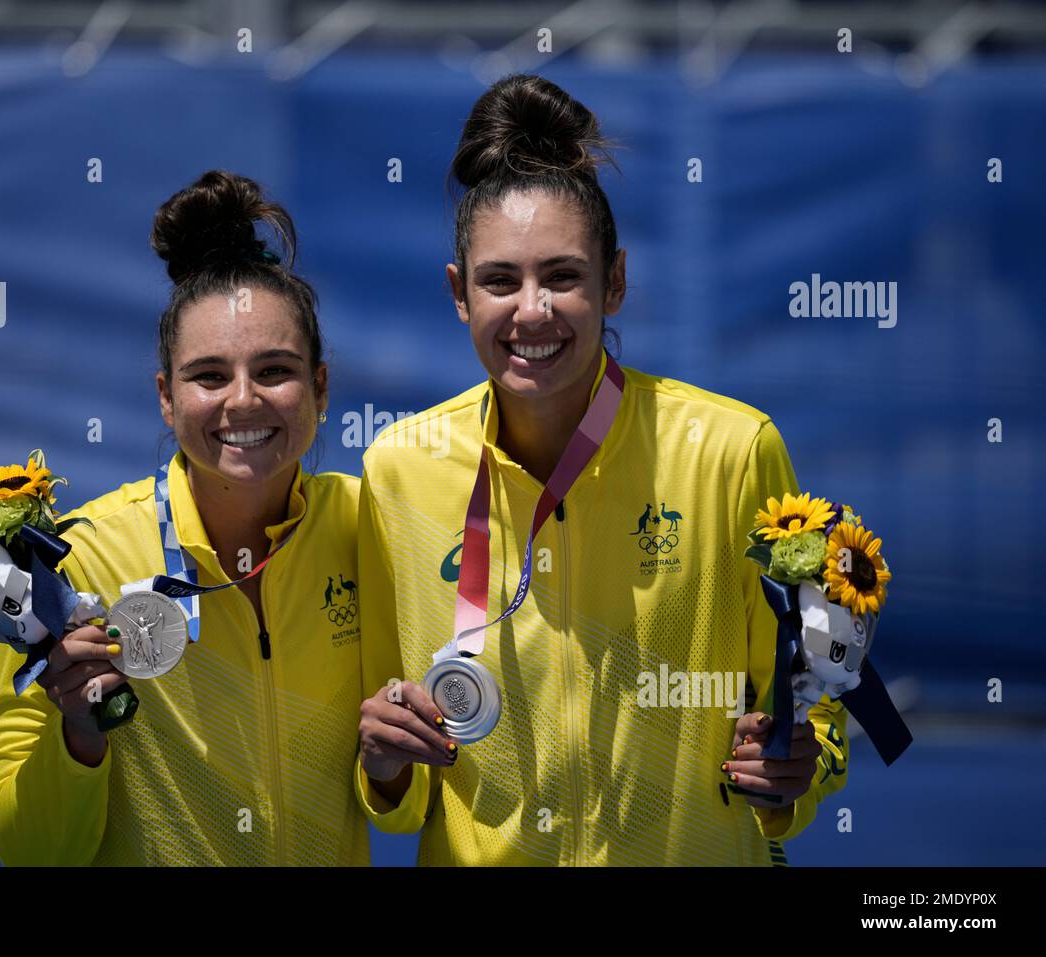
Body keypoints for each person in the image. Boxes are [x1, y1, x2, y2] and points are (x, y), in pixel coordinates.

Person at [354, 75, 848, 865]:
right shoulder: (397, 470)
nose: (532, 309)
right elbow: (396, 765)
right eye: (499, 281)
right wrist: (382, 764)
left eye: (563, 276)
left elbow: (815, 683)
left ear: (613, 280)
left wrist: (799, 765)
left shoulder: (730, 449)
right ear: (458, 294)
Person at [0, 170, 368, 865]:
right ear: (166, 396)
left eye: (275, 370)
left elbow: (401, 792)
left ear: (321, 386)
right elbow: (29, 851)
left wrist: (397, 764)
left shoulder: (367, 528)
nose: (243, 401)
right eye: (210, 376)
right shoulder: (72, 561)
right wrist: (79, 733)